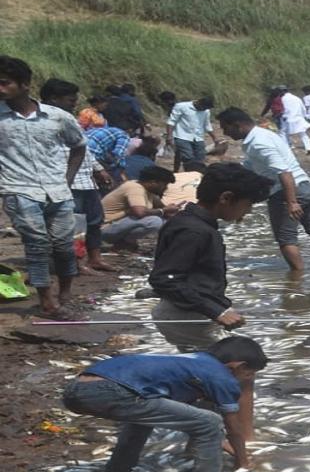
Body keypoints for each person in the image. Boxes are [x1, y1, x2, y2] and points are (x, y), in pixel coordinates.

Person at [62, 337, 266, 472]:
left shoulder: (193, 361)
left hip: (76, 389)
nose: (246, 380)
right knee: (210, 421)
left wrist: (219, 444)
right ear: (238, 366)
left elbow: (184, 414)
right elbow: (232, 427)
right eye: (248, 374)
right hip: (113, 391)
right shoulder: (222, 376)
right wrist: (242, 462)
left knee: (142, 419)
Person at [150, 162, 272, 353]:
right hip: (184, 314)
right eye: (247, 205)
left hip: (191, 310)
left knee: (199, 368)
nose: (247, 211)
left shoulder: (193, 223)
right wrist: (217, 312)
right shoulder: (194, 231)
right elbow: (164, 279)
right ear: (226, 198)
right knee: (232, 364)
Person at [0, 56, 87, 316]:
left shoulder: (58, 117)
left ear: (25, 85)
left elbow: (78, 146)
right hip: (19, 189)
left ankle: (65, 293)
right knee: (36, 245)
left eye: (5, 83)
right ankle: (47, 301)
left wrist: (68, 180)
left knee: (63, 246)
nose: (0, 89)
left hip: (57, 190)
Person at [216, 107, 310, 272]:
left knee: (286, 239)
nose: (226, 133)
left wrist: (291, 202)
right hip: (307, 189)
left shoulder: (258, 142)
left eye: (226, 128)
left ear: (237, 125)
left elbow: (284, 171)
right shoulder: (263, 135)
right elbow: (249, 168)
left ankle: (296, 281)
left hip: (286, 193)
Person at [38, 78, 117, 275]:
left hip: (86, 180)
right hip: (65, 181)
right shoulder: (40, 120)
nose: (74, 104)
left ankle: (95, 259)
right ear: (53, 99)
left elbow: (83, 148)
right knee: (74, 226)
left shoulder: (69, 119)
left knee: (94, 221)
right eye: (70, 100)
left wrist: (99, 169)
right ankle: (77, 264)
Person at [100, 166, 177, 249]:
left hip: (118, 225)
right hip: (105, 227)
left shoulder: (149, 191)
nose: (165, 188)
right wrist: (164, 210)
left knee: (166, 222)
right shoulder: (135, 188)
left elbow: (162, 209)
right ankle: (123, 243)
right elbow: (140, 212)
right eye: (164, 184)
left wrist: (172, 211)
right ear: (153, 182)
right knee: (154, 221)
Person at [167, 95, 218, 171]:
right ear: (198, 103)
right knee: (188, 158)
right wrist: (169, 136)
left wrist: (215, 138)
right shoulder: (181, 106)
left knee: (200, 158)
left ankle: (197, 176)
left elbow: (207, 125)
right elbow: (171, 122)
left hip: (198, 137)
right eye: (203, 108)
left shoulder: (206, 111)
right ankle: (189, 175)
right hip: (182, 136)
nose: (203, 110)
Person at [277, 87, 310, 154]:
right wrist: (304, 116)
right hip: (298, 118)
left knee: (284, 133)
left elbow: (282, 109)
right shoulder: (297, 98)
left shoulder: (282, 99)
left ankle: (287, 148)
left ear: (282, 92)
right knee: (303, 133)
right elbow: (303, 109)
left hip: (287, 118)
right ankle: (308, 148)